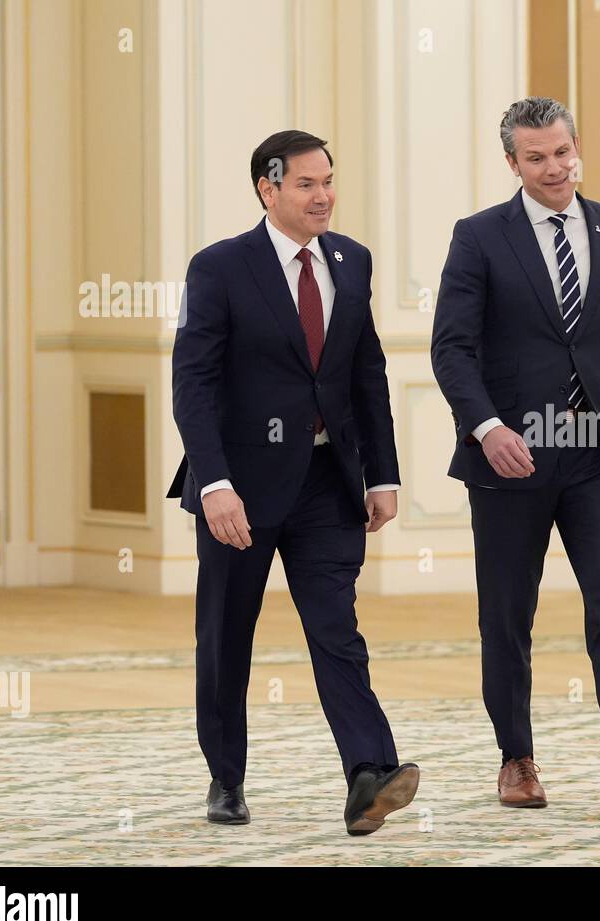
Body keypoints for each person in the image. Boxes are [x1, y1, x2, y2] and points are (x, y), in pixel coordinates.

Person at [431, 97, 600, 815]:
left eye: (562, 152)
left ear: (578, 148)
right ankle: (516, 758)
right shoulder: (479, 237)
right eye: (536, 157)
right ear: (512, 163)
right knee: (509, 614)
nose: (554, 168)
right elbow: (452, 348)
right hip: (511, 457)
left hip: (599, 450)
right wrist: (485, 428)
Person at [168, 130, 418, 836]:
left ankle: (369, 774)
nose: (323, 195)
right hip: (239, 489)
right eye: (306, 184)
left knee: (337, 628)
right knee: (226, 636)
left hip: (326, 481)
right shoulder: (219, 268)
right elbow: (193, 383)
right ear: (267, 189)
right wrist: (214, 482)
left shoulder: (352, 261)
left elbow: (366, 374)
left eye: (329, 180)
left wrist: (384, 472)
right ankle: (226, 777)